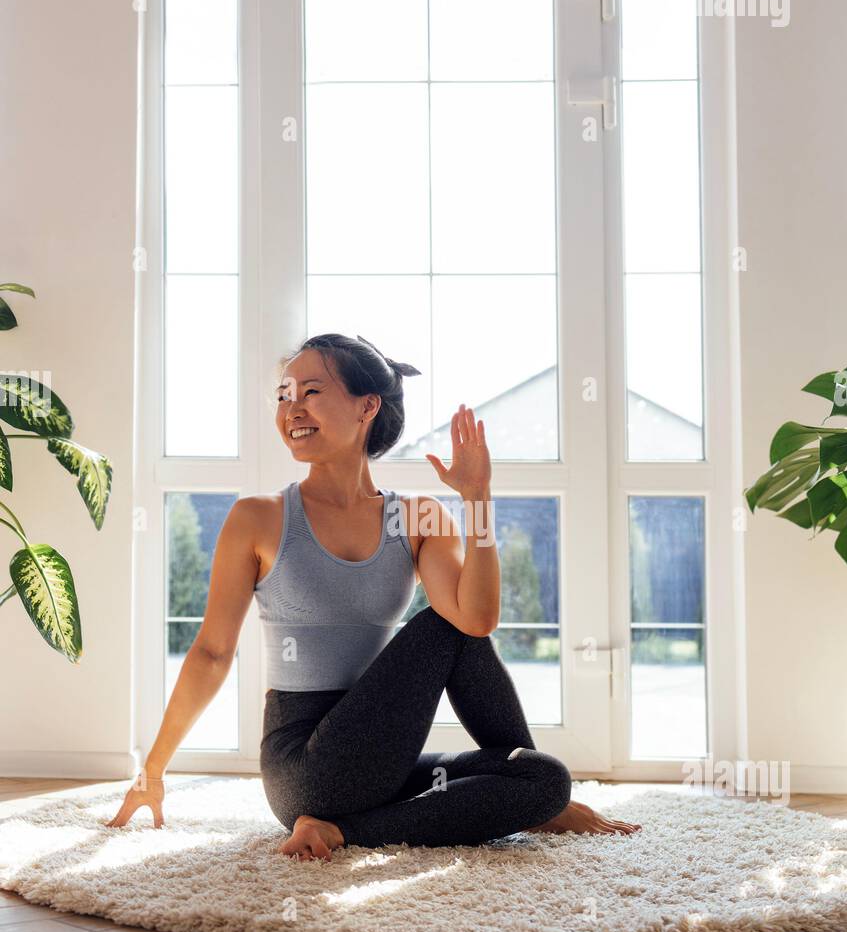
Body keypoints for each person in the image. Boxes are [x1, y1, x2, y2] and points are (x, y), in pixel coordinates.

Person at [107, 333, 640, 859]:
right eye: (284, 395)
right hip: (304, 769)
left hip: (383, 755)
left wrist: (477, 499)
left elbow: (477, 620)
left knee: (544, 776)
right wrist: (153, 771)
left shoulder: (418, 517)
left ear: (367, 406)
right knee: (440, 626)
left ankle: (354, 827)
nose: (291, 408)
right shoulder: (259, 517)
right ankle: (351, 824)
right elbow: (212, 652)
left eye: (310, 392)